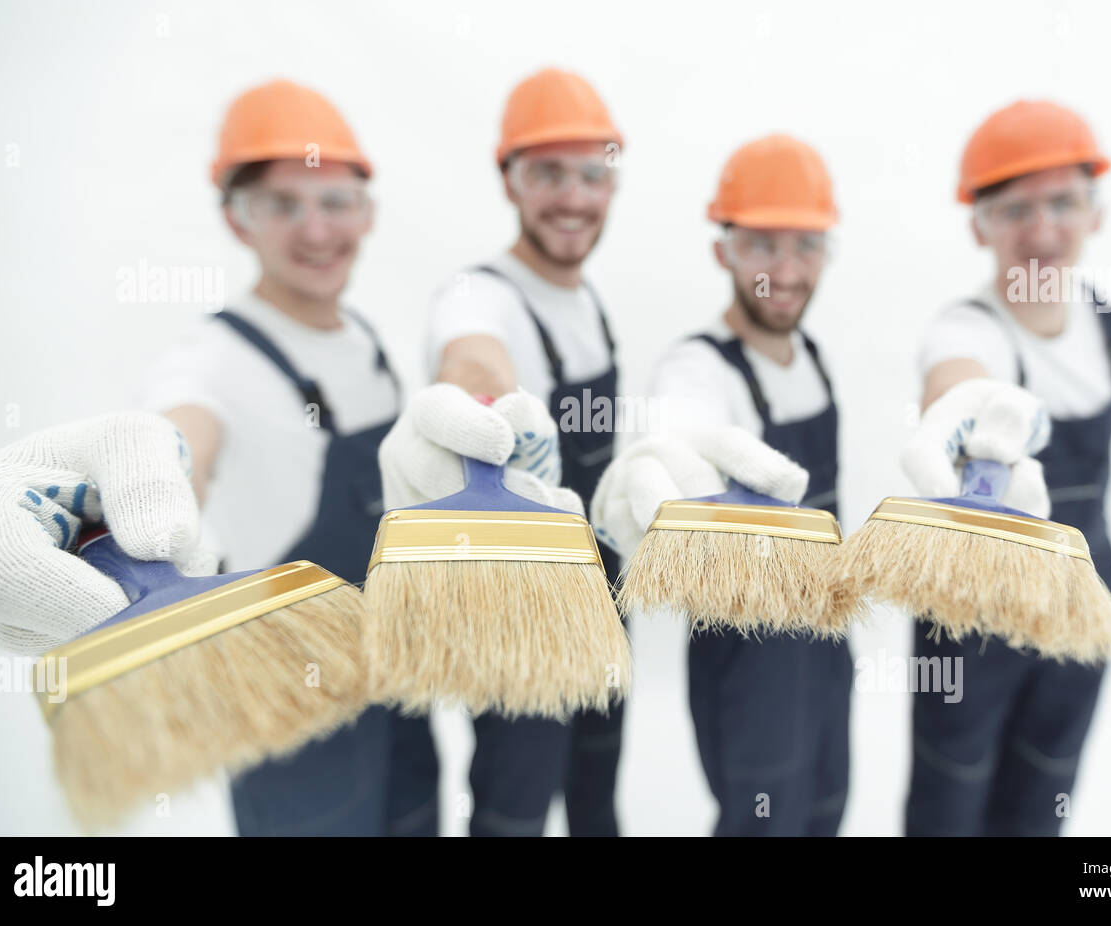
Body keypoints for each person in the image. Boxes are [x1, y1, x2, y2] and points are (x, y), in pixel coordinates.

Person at [140, 79, 441, 836]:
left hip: (395, 683)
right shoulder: (211, 360)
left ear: (366, 213)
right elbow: (178, 442)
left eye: (335, 201)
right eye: (282, 204)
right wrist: (147, 498)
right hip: (288, 703)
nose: (316, 230)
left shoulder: (368, 340)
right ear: (237, 220)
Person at [592, 135, 852, 835]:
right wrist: (677, 471)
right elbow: (682, 420)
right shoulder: (698, 367)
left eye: (806, 245)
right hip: (752, 665)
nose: (787, 270)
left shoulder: (813, 359)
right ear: (724, 251)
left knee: (825, 814)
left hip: (828, 651)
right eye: (763, 245)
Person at [903, 100, 1111, 836]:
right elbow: (958, 379)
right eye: (1014, 209)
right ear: (980, 226)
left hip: (1082, 600)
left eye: (1063, 202)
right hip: (976, 616)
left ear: (1095, 210)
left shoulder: (1104, 315)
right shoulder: (965, 329)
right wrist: (965, 420)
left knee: (1044, 791)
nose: (1042, 230)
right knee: (951, 796)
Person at [422, 67, 626, 836]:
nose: (573, 197)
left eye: (592, 174)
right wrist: (488, 409)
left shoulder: (587, 301)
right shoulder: (478, 295)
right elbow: (472, 358)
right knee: (514, 811)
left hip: (604, 598)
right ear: (507, 177)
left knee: (597, 794)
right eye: (546, 173)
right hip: (517, 615)